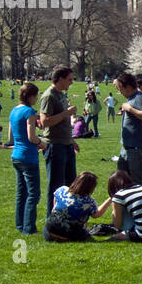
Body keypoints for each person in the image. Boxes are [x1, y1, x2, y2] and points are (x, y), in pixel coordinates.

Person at [39, 67, 80, 215]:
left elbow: (63, 122)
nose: (71, 82)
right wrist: (66, 113)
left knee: (71, 184)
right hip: (55, 146)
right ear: (60, 79)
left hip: (66, 144)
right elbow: (44, 121)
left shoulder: (61, 95)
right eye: (69, 79)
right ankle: (52, 219)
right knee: (56, 186)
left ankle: (68, 218)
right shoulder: (49, 96)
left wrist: (71, 140)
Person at [8, 82, 45, 235]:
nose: (36, 99)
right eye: (36, 96)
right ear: (30, 96)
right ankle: (29, 228)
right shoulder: (29, 111)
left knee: (21, 193)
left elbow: (11, 137)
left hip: (16, 156)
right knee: (33, 193)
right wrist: (42, 143)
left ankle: (20, 225)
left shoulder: (13, 111)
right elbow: (31, 137)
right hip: (28, 157)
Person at [44, 171, 110, 242]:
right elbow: (96, 215)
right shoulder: (89, 202)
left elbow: (54, 203)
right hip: (69, 234)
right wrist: (110, 199)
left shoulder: (62, 190)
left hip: (49, 231)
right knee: (86, 235)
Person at [115, 72, 142, 185]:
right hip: (127, 147)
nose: (119, 91)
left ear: (128, 87)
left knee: (137, 182)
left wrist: (130, 109)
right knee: (121, 180)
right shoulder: (132, 98)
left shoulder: (139, 97)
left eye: (120, 88)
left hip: (137, 148)